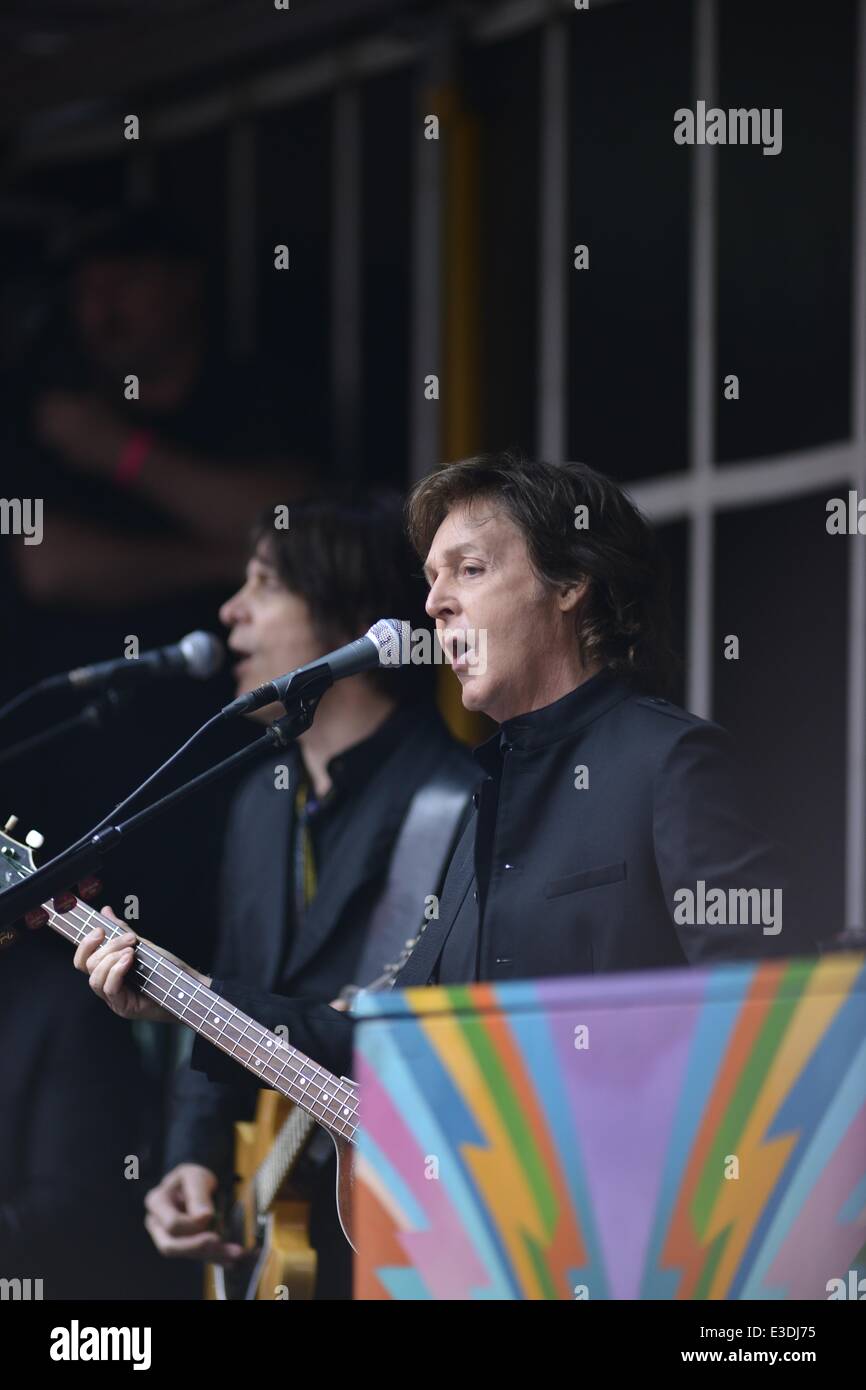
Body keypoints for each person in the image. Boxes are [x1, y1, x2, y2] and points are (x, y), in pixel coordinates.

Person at [72, 453, 817, 1228]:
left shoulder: (670, 763)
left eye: (469, 569)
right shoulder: (488, 795)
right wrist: (184, 997)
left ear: (570, 586)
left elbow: (767, 1025)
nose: (435, 604)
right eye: (431, 580)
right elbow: (387, 1034)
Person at [109, 493, 475, 1300]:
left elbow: (437, 1046)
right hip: (279, 1211)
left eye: (265, 585)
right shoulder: (258, 802)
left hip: (402, 1233)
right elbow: (236, 975)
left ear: (347, 614)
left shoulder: (461, 801)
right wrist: (195, 1157)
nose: (230, 614)